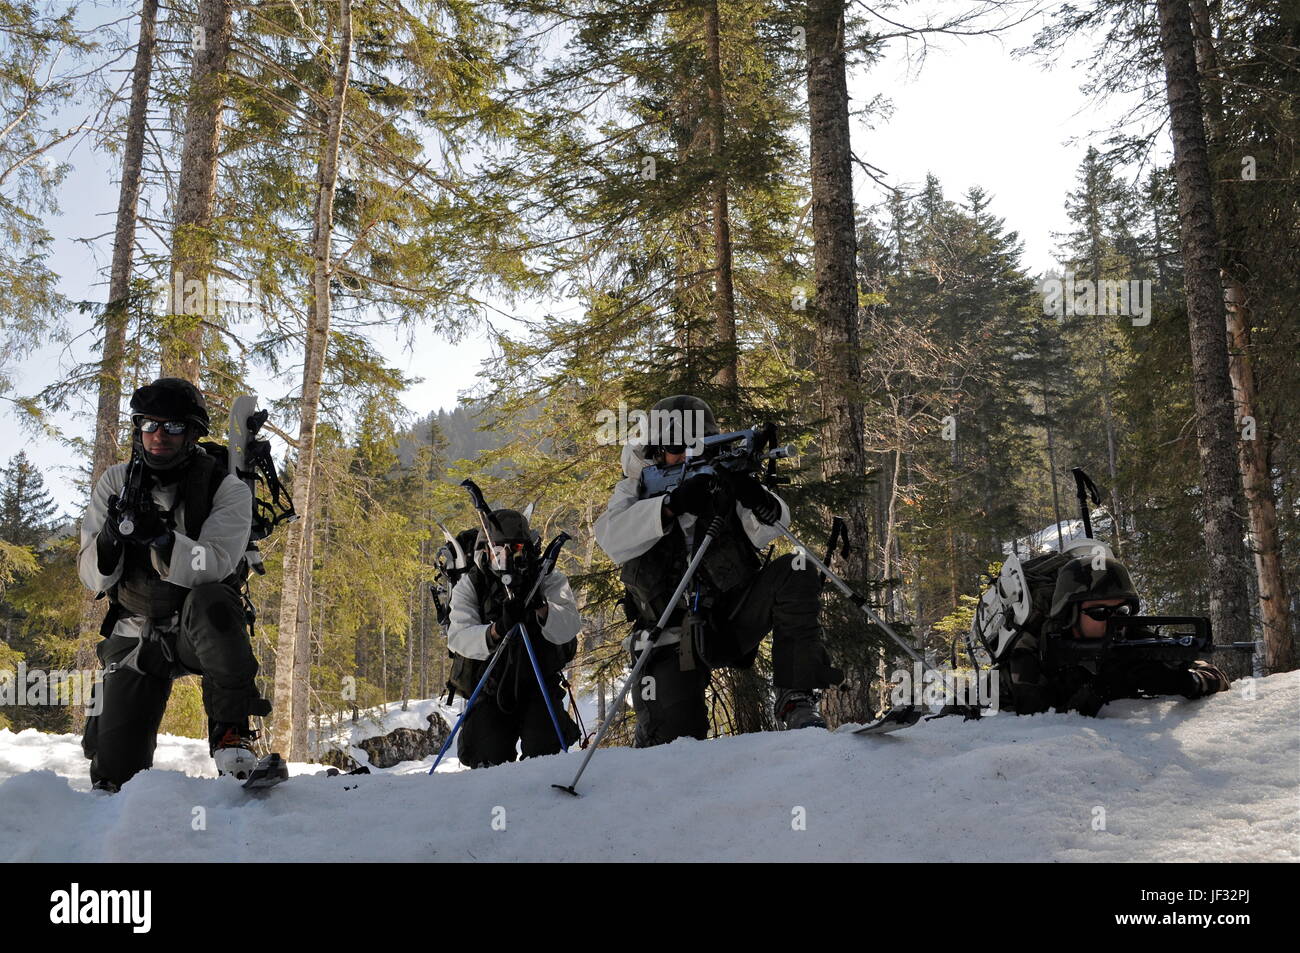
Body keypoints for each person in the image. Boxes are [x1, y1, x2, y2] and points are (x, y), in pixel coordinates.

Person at [594, 394, 843, 747]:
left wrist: (753, 495)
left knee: (796, 568)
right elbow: (611, 538)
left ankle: (796, 697)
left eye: (695, 447)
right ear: (656, 452)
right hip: (669, 635)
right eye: (677, 449)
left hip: (729, 618)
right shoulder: (634, 489)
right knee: (672, 748)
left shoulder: (720, 476)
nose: (687, 456)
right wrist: (669, 506)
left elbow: (770, 528)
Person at [79, 378, 270, 791]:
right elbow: (91, 575)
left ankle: (231, 735)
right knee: (115, 776)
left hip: (195, 628)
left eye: (173, 427)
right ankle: (112, 733)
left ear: (194, 432)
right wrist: (111, 539)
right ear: (137, 430)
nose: (159, 435)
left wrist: (163, 540)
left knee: (214, 598)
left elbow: (215, 564)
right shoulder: (114, 483)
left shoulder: (226, 488)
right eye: (149, 425)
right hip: (135, 632)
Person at [1001, 553, 1230, 716]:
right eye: (1099, 612)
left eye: (1120, 611)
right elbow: (1033, 715)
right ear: (1069, 614)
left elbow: (1216, 676)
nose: (1114, 621)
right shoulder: (1033, 647)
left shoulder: (1132, 634)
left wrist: (1186, 681)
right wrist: (1097, 691)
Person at [446, 508, 581, 767]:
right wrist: (496, 629)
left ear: (527, 548)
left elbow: (570, 624)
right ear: (485, 550)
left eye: (516, 547)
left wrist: (540, 610)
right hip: (489, 683)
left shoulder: (547, 577)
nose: (506, 556)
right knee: (486, 757)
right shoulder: (473, 583)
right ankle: (494, 804)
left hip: (539, 682)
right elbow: (458, 636)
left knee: (544, 754)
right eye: (498, 549)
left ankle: (543, 804)